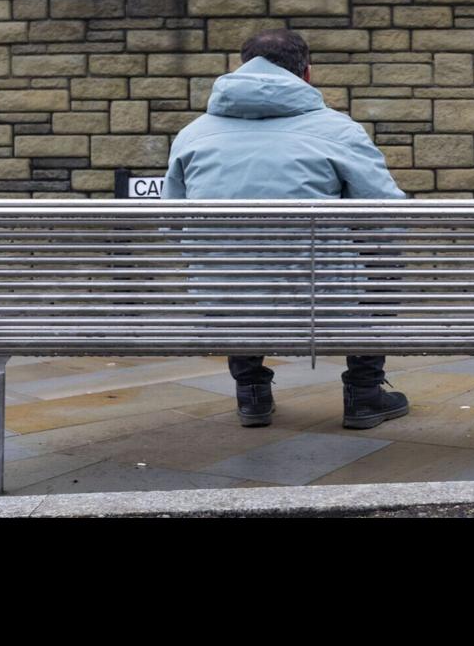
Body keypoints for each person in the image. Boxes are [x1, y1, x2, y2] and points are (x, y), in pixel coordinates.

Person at [162, 29, 409, 430]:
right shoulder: (338, 129)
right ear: (306, 74)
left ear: (239, 69)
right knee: (383, 259)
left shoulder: (193, 134)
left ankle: (252, 393)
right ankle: (364, 395)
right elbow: (388, 217)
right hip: (323, 301)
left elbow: (171, 224)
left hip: (229, 300)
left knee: (234, 263)